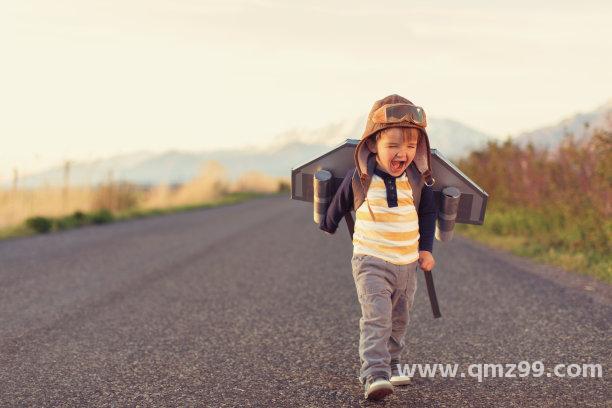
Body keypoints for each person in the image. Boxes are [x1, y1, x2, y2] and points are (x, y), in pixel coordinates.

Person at [319, 94, 437, 401]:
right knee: (377, 317)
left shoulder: (416, 179)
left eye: (411, 146)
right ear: (373, 144)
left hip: (407, 264)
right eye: (394, 146)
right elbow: (340, 203)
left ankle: (392, 364)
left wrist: (426, 249)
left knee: (399, 320)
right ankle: (374, 373)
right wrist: (327, 223)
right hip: (371, 261)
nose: (403, 153)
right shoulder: (361, 176)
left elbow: (428, 213)